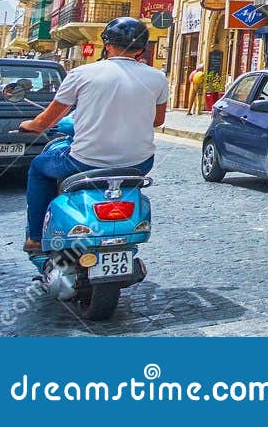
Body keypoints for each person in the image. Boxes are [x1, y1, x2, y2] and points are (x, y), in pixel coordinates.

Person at [18, 17, 168, 254]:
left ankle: (36, 236)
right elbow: (158, 121)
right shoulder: (158, 78)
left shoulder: (82, 73)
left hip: (83, 162)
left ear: (107, 45)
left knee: (38, 168)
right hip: (139, 164)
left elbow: (48, 120)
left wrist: (30, 125)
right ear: (142, 48)